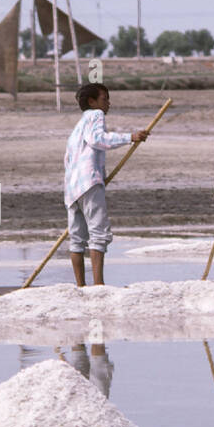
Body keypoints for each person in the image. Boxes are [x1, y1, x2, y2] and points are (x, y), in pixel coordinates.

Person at [63, 83, 149, 287]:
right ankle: (98, 285)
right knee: (98, 234)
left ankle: (81, 286)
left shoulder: (78, 127)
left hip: (72, 189)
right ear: (92, 102)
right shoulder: (95, 116)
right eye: (105, 99)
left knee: (77, 239)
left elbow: (68, 159)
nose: (108, 103)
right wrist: (131, 137)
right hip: (89, 184)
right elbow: (97, 139)